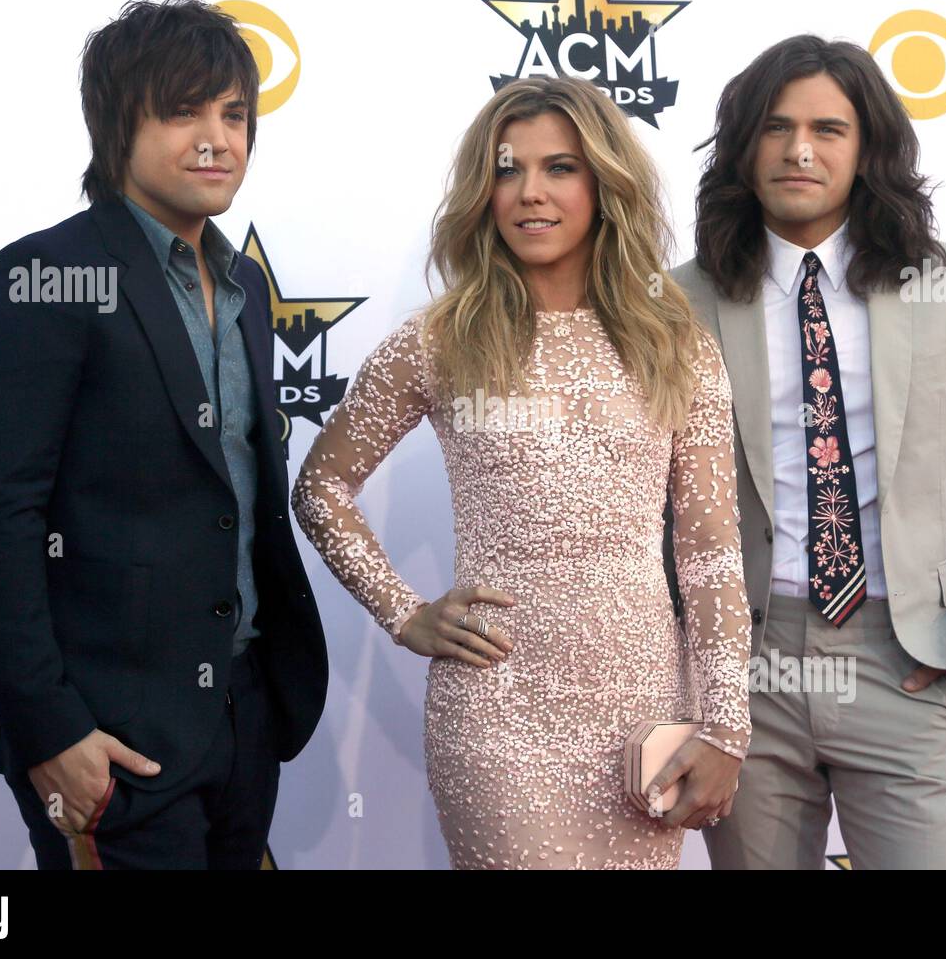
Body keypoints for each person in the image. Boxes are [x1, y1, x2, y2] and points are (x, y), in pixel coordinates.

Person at [292, 76, 751, 869]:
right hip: (498, 712)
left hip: (642, 713)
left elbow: (710, 552)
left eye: (560, 168)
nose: (530, 192)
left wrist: (725, 727)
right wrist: (405, 613)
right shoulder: (439, 340)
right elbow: (320, 487)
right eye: (508, 170)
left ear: (604, 185)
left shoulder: (677, 344)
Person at [0, 0, 328, 870]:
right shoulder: (48, 273)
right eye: (185, 111)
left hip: (242, 710)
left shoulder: (246, 286)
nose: (217, 139)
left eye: (234, 114)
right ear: (118, 126)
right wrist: (51, 728)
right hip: (109, 731)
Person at [669, 34, 946, 869]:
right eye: (776, 127)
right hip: (744, 669)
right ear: (743, 147)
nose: (799, 150)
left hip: (912, 657)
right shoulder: (680, 298)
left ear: (868, 147)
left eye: (828, 129)